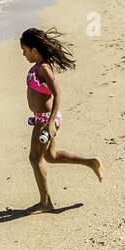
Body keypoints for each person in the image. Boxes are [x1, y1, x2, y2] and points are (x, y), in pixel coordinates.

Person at [19, 27, 104, 213]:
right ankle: (90, 162)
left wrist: (50, 124)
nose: (23, 54)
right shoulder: (37, 67)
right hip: (41, 118)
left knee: (35, 159)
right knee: (51, 156)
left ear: (34, 50)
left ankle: (46, 203)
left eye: (24, 50)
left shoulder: (43, 69)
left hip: (45, 119)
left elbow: (57, 94)